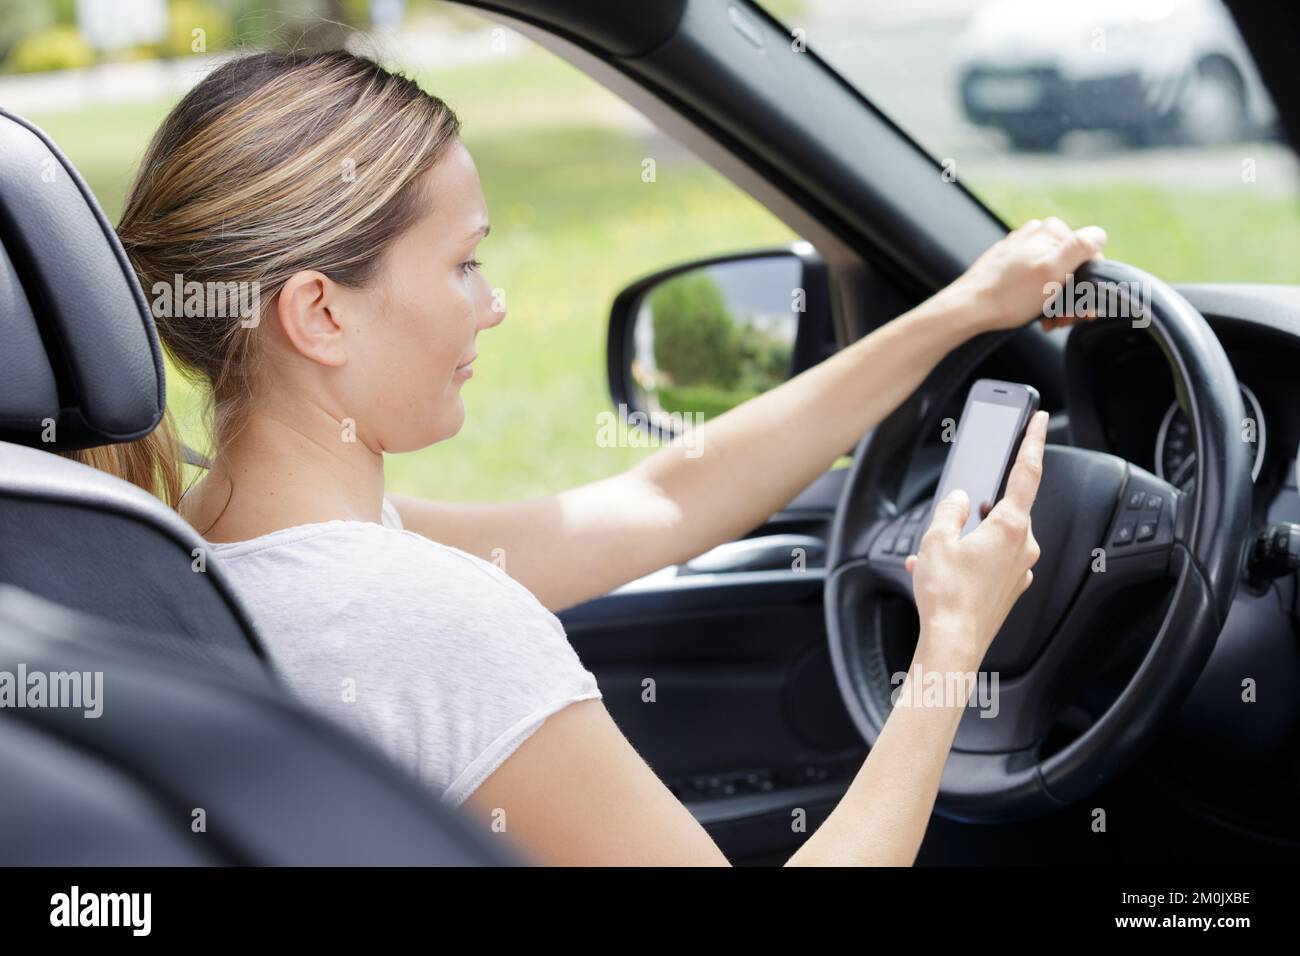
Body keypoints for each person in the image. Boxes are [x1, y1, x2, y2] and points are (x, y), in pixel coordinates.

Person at [82, 50, 1105, 865]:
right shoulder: (426, 619)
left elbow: (660, 503)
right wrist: (949, 650)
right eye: (464, 261)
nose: (494, 303)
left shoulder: (180, 546)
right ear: (318, 312)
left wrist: (961, 309)